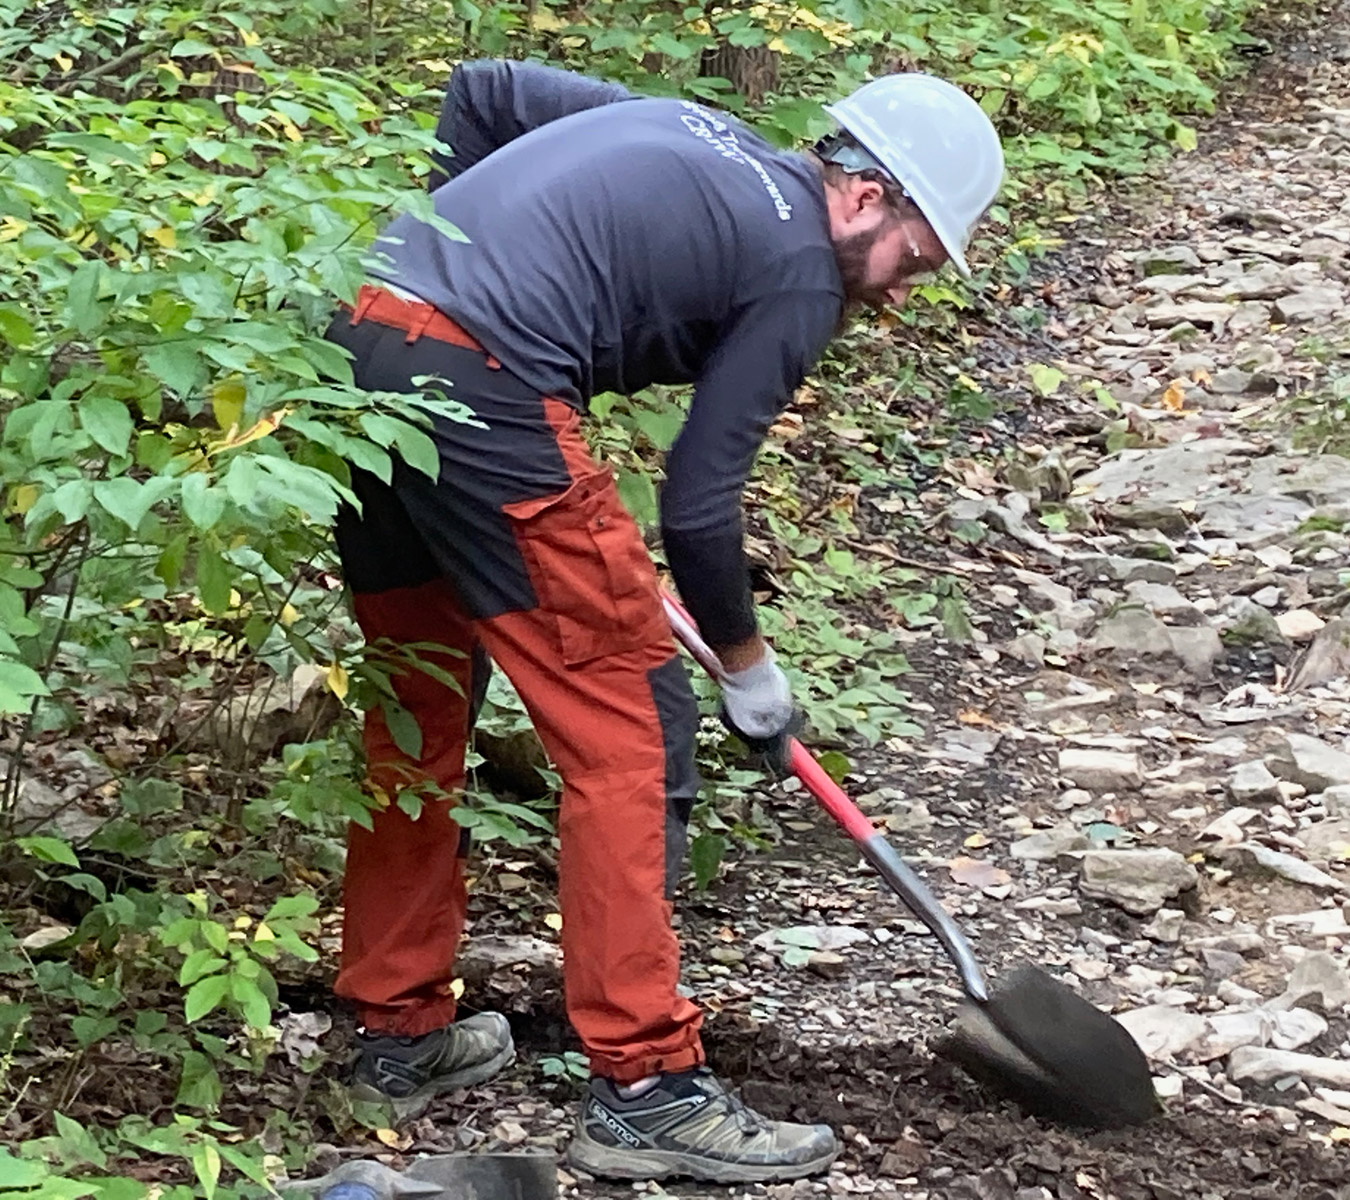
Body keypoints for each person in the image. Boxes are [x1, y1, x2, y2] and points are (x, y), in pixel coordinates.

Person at [329, 58, 1003, 1184]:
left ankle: (396, 1037)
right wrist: (747, 668)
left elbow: (484, 93)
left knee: (421, 693)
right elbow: (697, 505)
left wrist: (451, 266)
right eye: (915, 258)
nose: (899, 293)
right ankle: (645, 1087)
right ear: (864, 196)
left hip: (363, 340)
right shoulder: (801, 272)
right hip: (485, 380)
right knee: (633, 725)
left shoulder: (694, 130)